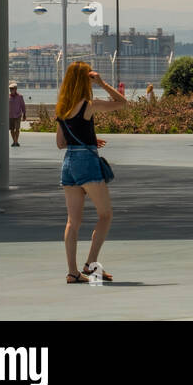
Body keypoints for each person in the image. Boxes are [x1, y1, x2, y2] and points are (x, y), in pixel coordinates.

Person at [55, 62, 128, 283]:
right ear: (85, 80)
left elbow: (60, 143)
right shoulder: (88, 105)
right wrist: (102, 83)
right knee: (105, 215)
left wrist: (88, 138)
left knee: (72, 221)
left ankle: (72, 271)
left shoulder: (62, 109)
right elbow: (122, 103)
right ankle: (90, 263)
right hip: (86, 162)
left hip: (68, 163)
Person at [8, 82, 26, 147]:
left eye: (12, 89)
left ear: (16, 89)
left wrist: (24, 114)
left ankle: (16, 141)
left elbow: (23, 106)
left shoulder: (20, 97)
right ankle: (14, 141)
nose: (11, 90)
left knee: (17, 129)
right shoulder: (7, 96)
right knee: (12, 129)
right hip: (10, 116)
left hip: (18, 115)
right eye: (10, 89)